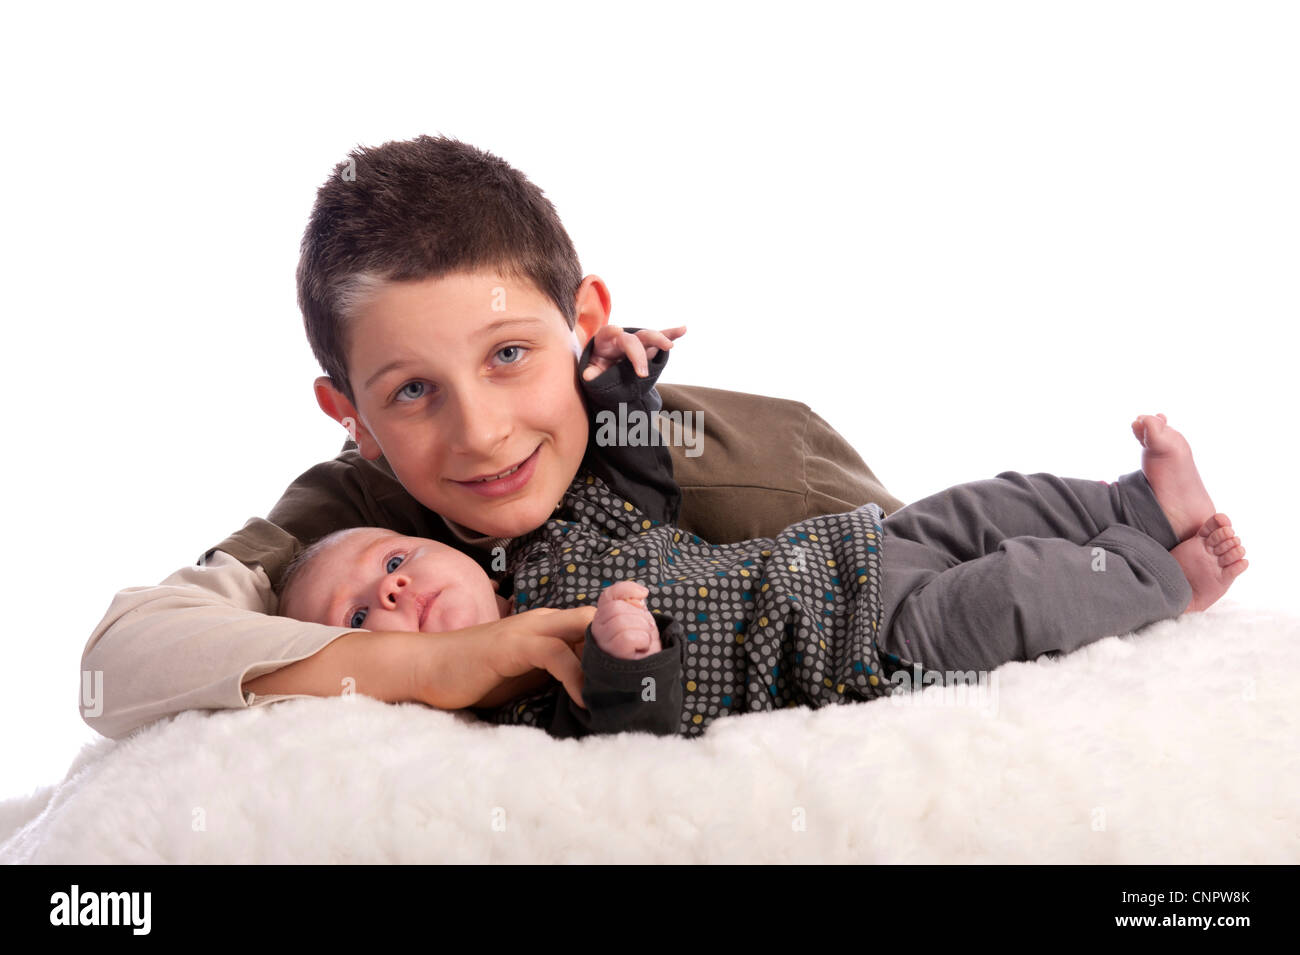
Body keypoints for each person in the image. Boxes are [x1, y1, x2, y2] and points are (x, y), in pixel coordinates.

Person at [78, 135, 903, 741]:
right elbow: (116, 663)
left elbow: (931, 588)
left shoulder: (763, 468)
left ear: (584, 324)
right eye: (411, 391)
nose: (480, 432)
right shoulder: (342, 518)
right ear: (351, 417)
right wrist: (447, 661)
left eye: (508, 354)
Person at [270, 335, 1248, 739]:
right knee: (1015, 593)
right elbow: (628, 728)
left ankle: (1137, 503)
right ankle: (1160, 577)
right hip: (860, 645)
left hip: (848, 548)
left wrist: (623, 391)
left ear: (437, 545)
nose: (391, 590)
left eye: (392, 561)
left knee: (996, 500)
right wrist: (625, 659)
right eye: (360, 613)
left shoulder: (545, 540)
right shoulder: (504, 694)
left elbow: (641, 486)